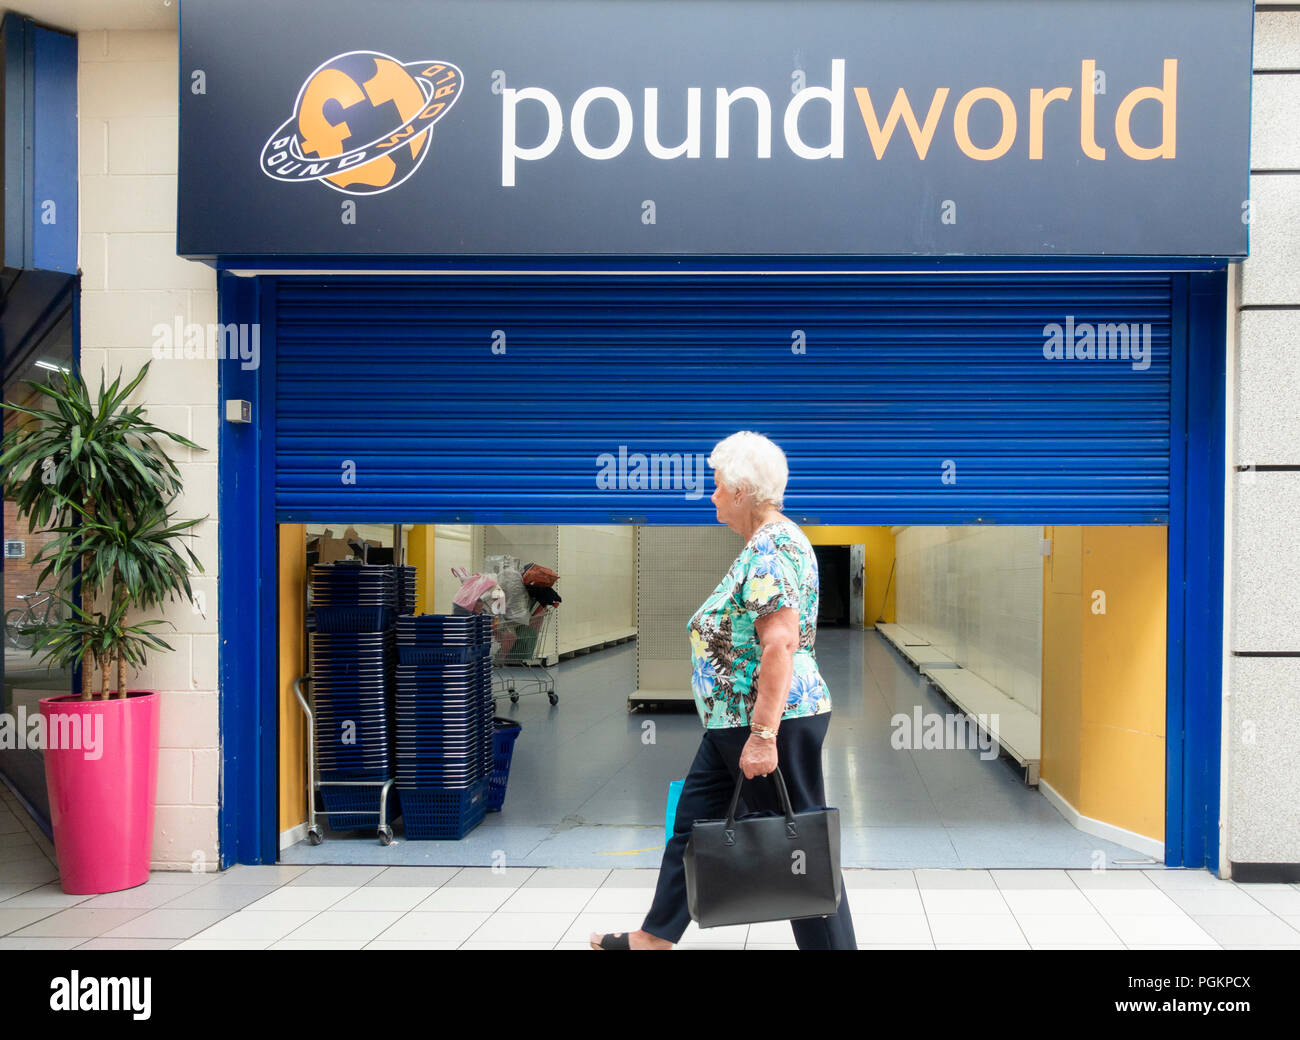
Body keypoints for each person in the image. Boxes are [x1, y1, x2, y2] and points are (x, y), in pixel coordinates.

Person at [591, 430, 855, 950]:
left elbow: (779, 644)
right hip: (731, 724)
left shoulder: (770, 549)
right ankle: (654, 936)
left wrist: (762, 735)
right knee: (691, 825)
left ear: (741, 490)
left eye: (716, 486)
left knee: (799, 848)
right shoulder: (778, 540)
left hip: (764, 720)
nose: (711, 496)